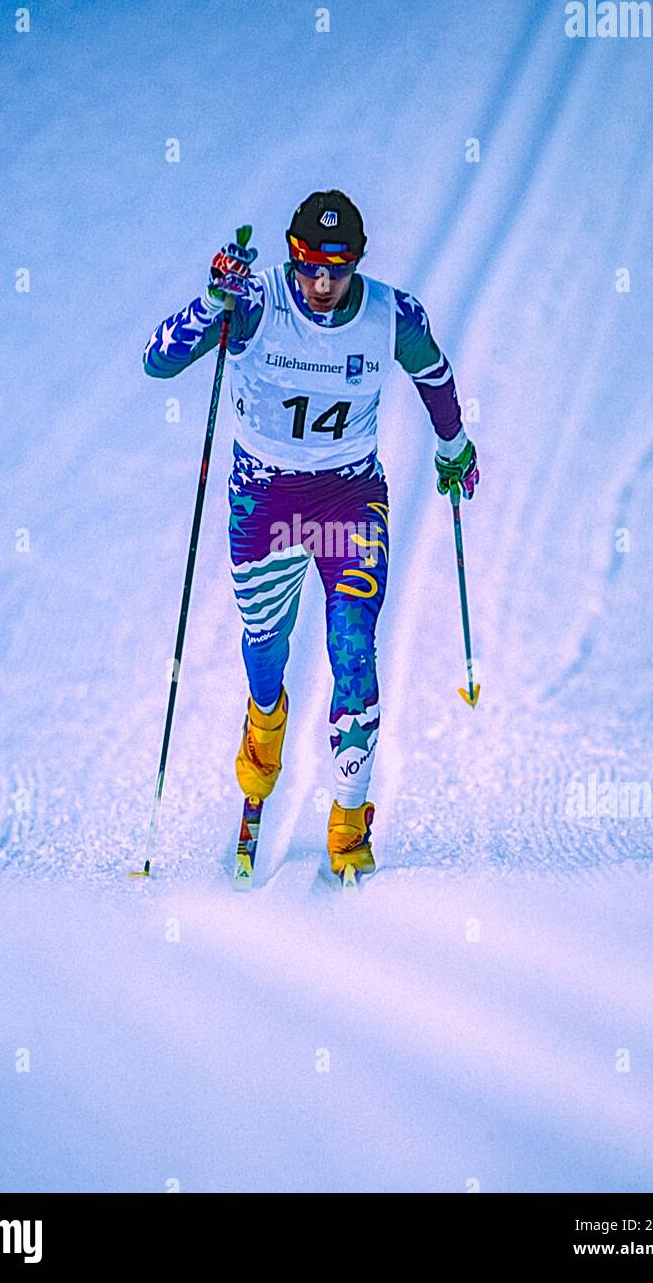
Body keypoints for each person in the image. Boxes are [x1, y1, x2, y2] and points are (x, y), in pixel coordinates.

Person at [143, 189, 478, 878]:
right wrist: (211, 304)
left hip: (348, 499)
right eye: (307, 267)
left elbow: (434, 374)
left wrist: (454, 445)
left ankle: (349, 820)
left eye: (337, 267)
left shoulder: (391, 314)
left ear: (356, 262)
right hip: (262, 500)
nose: (321, 284)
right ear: (290, 257)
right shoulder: (255, 302)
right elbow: (158, 361)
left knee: (352, 641)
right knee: (265, 648)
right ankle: (263, 731)